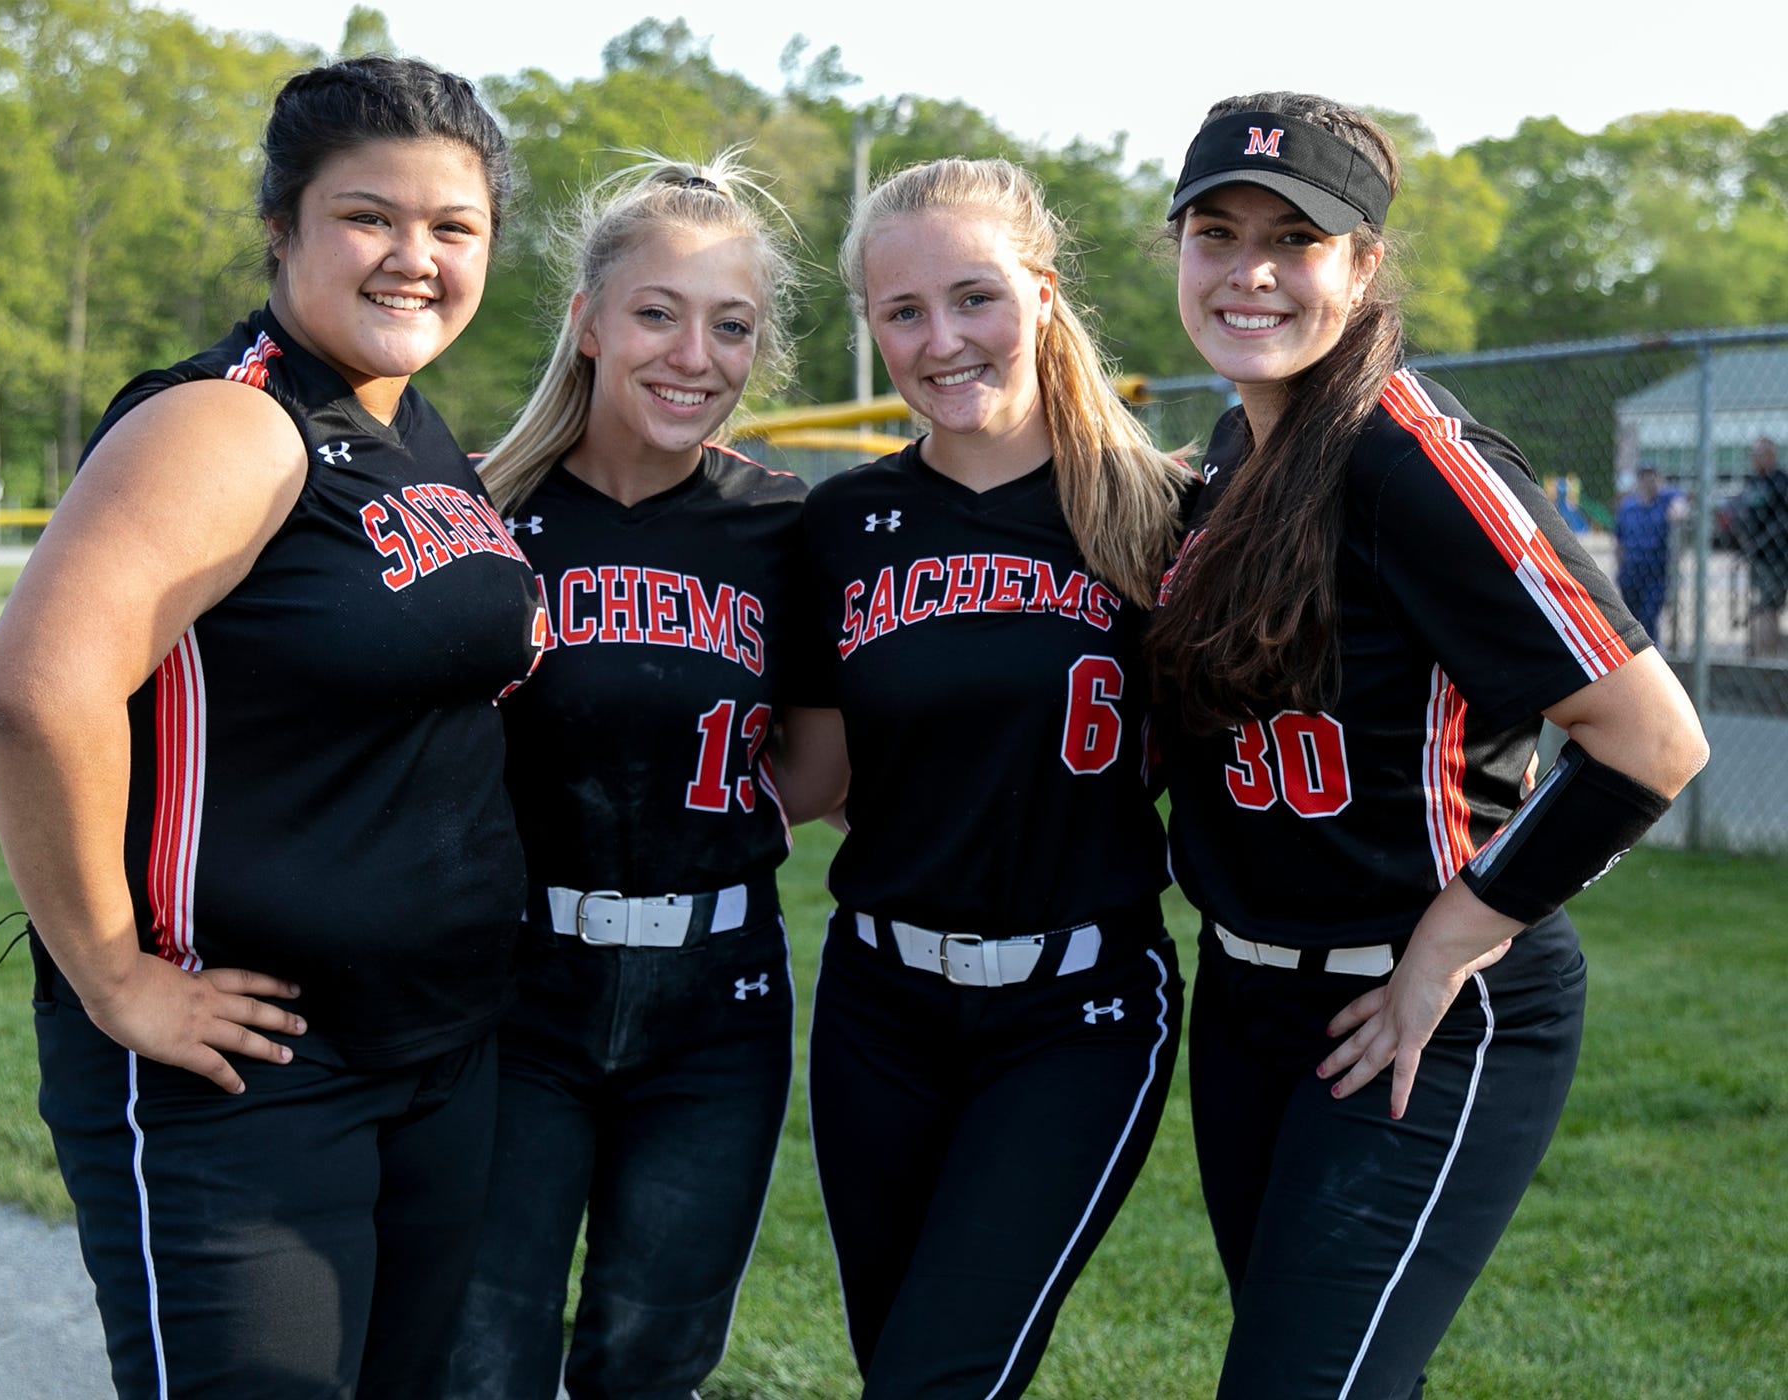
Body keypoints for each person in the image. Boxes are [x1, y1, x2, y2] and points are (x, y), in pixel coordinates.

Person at [0, 57, 545, 1399]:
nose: (415, 257)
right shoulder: (234, 423)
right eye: (370, 217)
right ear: (282, 228)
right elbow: (36, 689)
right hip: (255, 1075)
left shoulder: (414, 431)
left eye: (453, 228)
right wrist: (118, 977)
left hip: (433, 1047)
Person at [1147, 92, 1710, 1399]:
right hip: (1255, 1001)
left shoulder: (1408, 457)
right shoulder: (1233, 454)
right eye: (1217, 232)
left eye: (1295, 238)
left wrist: (1446, 949)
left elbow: (1651, 740)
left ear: (1363, 265)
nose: (1250, 272)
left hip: (1426, 1002)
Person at [441, 155, 843, 1400]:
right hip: (517, 987)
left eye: (732, 324)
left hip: (715, 996)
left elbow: (820, 765)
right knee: (481, 1350)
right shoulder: (481, 514)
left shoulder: (787, 524)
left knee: (653, 1351)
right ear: (588, 322)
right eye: (657, 312)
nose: (694, 354)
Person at [800, 157, 1193, 1399]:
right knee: (901, 1367)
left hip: (1071, 1010)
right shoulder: (839, 520)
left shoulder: (1157, 512)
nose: (941, 339)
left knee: (936, 1375)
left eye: (973, 297)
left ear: (1041, 289)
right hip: (876, 1005)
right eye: (901, 312)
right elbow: (810, 772)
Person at [1613, 465, 1684, 646]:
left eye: (1652, 477)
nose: (1648, 482)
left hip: (1655, 571)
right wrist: (1620, 569)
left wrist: (1678, 508)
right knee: (1630, 619)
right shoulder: (1629, 507)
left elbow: (1680, 501)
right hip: (1631, 570)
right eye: (1644, 477)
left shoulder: (1663, 502)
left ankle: (1651, 654)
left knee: (1649, 617)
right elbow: (1619, 542)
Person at [1734, 436, 1788, 657]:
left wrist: (1763, 540)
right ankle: (1762, 653)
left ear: (1771, 456)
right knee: (1762, 605)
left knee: (1769, 605)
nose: (1755, 459)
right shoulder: (1752, 481)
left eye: (1759, 454)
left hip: (1776, 556)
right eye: (1753, 454)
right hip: (1757, 556)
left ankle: (1767, 654)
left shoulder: (1780, 481)